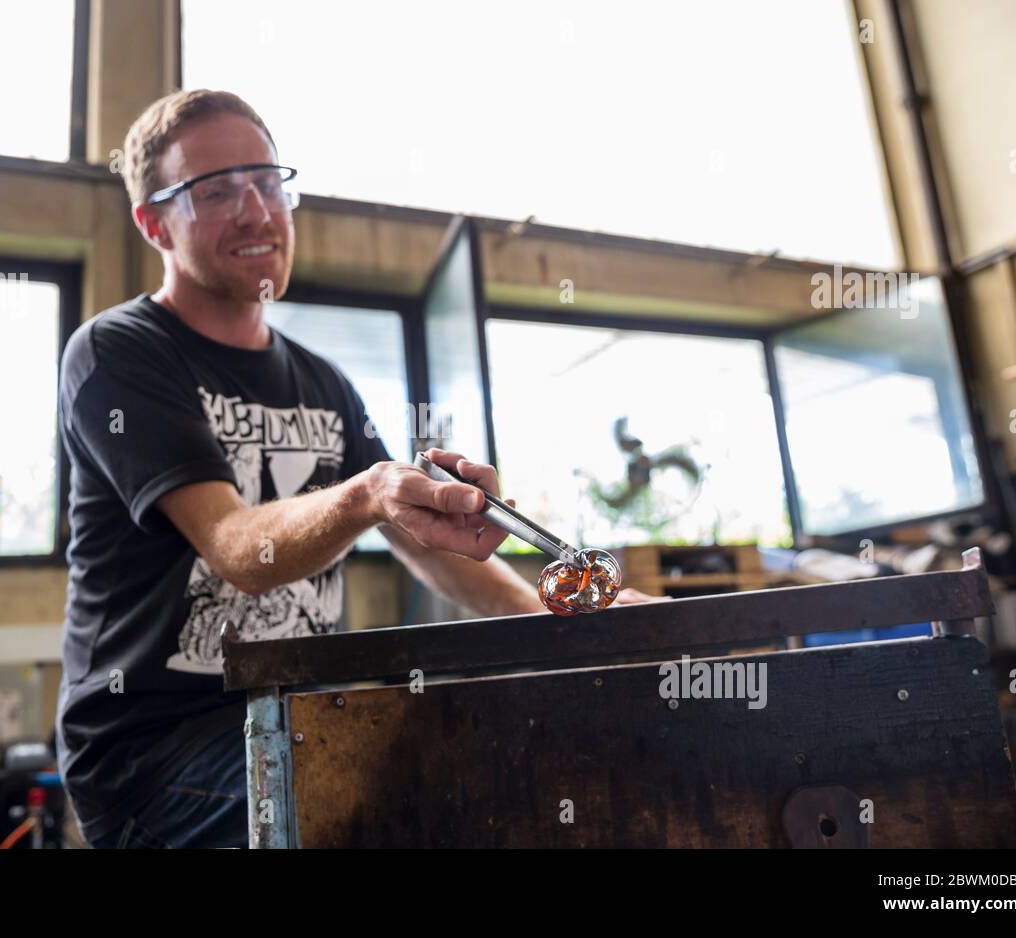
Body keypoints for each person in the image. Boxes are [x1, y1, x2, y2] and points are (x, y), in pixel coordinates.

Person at [55, 89, 653, 848]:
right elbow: (238, 549)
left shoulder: (325, 382)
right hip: (152, 753)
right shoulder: (119, 353)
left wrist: (564, 620)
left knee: (513, 768)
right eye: (213, 191)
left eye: (267, 182)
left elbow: (416, 537)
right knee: (420, 803)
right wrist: (371, 490)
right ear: (153, 223)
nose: (254, 211)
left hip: (299, 717)